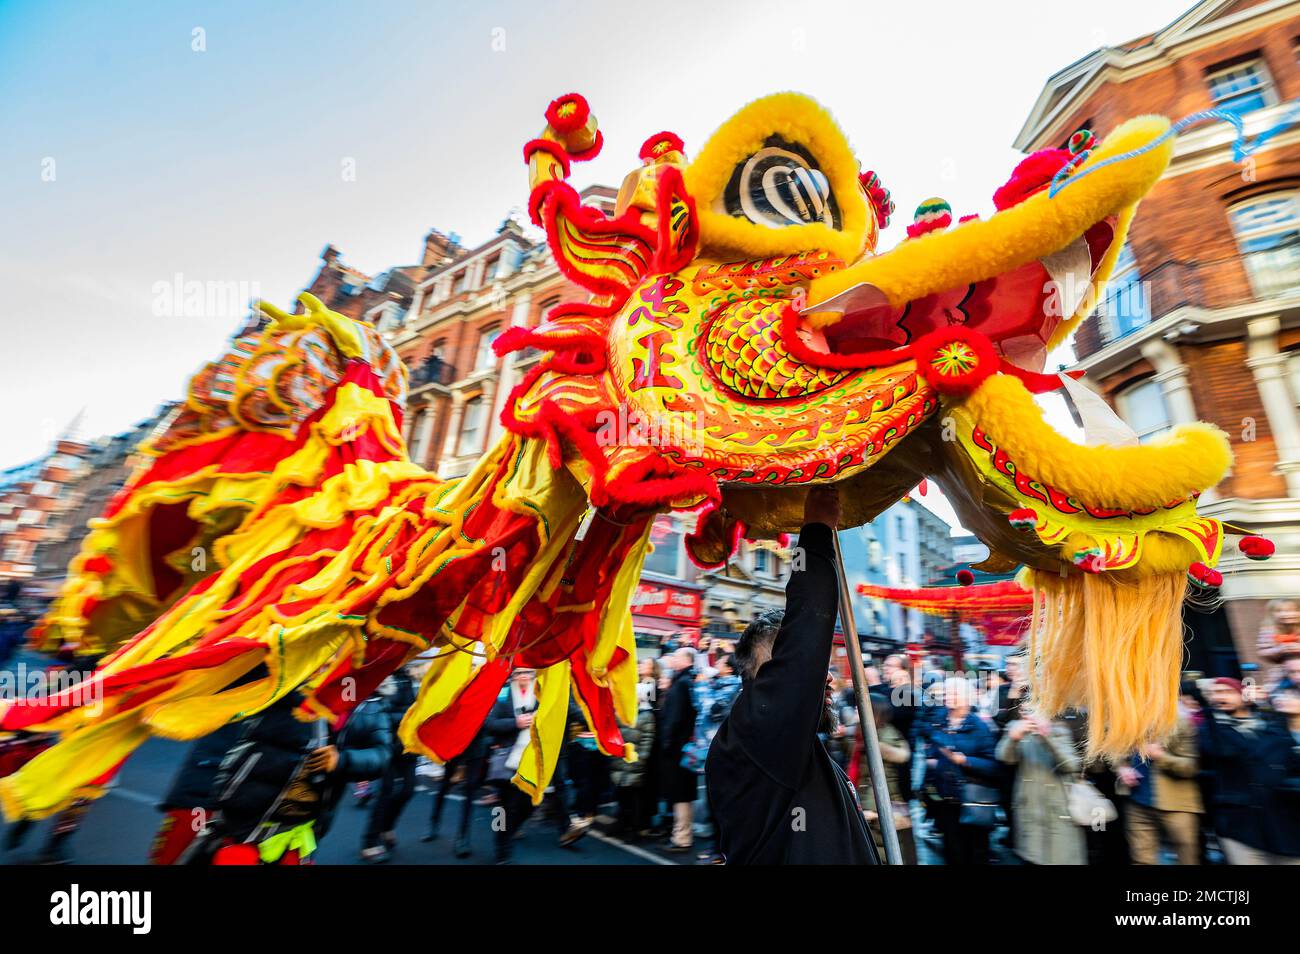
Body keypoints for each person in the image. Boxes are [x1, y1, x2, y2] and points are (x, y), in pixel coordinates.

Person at [705, 485, 878, 865]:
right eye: (784, 667)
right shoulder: (754, 735)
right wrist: (815, 530)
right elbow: (804, 640)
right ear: (757, 680)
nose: (826, 677)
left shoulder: (793, 745)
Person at [201, 692, 393, 864]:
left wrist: (343, 760)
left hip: (301, 827)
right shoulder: (294, 677)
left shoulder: (371, 705)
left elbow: (382, 755)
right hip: (247, 814)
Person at [485, 668, 586, 863]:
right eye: (519, 673)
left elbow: (565, 710)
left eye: (528, 673)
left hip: (533, 761)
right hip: (507, 760)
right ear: (513, 676)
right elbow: (489, 723)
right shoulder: (504, 694)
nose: (523, 676)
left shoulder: (541, 692)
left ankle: (509, 832)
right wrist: (516, 722)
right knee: (503, 809)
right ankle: (500, 848)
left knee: (531, 804)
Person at [1198, 677, 1300, 864]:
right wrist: (1212, 713)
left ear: (1244, 696)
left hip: (1284, 825)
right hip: (1239, 827)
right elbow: (1223, 751)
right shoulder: (1210, 730)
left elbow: (1293, 763)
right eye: (1214, 693)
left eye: (1226, 691)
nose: (1218, 696)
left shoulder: (1272, 727)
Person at [1115, 697, 1202, 865]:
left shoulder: (1181, 723)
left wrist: (1160, 756)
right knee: (1141, 860)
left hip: (1176, 805)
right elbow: (1117, 755)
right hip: (1137, 802)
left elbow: (1190, 767)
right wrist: (1122, 768)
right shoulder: (1129, 724)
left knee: (1187, 858)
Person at [924, 677, 999, 865]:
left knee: (975, 853)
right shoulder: (939, 720)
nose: (949, 696)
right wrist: (932, 762)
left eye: (955, 693)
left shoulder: (979, 726)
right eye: (947, 693)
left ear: (967, 698)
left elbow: (994, 766)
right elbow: (933, 749)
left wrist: (965, 760)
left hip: (972, 801)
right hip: (945, 800)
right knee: (952, 852)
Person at [996, 712, 1085, 865]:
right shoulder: (1016, 728)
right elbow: (1004, 757)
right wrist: (1012, 738)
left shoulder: (1059, 730)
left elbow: (1071, 765)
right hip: (1030, 811)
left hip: (1057, 811)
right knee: (1032, 857)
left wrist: (1047, 735)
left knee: (1060, 857)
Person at [360, 668, 418, 862]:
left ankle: (386, 827)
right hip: (385, 743)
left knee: (408, 790)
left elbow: (413, 707)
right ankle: (369, 842)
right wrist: (408, 717)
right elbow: (378, 710)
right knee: (385, 791)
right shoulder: (381, 674)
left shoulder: (406, 678)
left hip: (407, 745)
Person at [853, 694, 916, 864]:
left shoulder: (882, 737)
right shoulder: (862, 734)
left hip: (880, 810)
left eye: (857, 707)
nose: (853, 711)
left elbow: (884, 781)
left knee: (885, 853)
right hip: (873, 808)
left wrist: (870, 810)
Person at [659, 646, 699, 852]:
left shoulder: (682, 683)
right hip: (684, 747)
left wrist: (666, 744)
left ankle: (682, 837)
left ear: (686, 660)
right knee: (683, 794)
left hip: (677, 749)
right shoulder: (687, 681)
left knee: (680, 794)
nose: (672, 660)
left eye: (676, 657)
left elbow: (674, 719)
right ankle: (682, 833)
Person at [611, 674, 657, 839]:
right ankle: (623, 825)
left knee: (634, 798)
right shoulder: (622, 713)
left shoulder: (646, 716)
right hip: (620, 761)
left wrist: (641, 759)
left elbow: (647, 740)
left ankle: (634, 828)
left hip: (634, 762)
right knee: (622, 796)